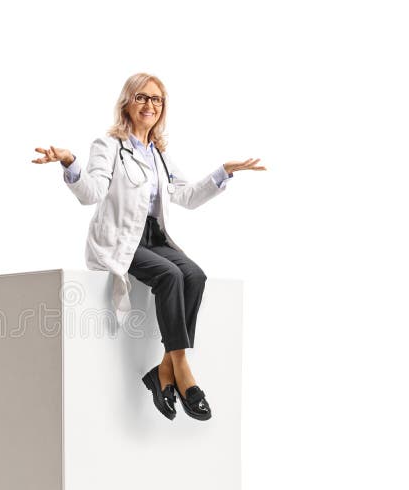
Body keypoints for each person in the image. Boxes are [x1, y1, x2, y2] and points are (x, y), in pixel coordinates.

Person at [32, 72, 265, 421]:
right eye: (142, 97)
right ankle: (181, 369)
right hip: (120, 238)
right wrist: (69, 162)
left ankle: (163, 370)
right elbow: (91, 193)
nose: (149, 105)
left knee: (195, 276)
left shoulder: (159, 154)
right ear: (127, 102)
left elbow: (184, 195)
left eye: (156, 100)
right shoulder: (108, 146)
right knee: (170, 276)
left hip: (154, 236)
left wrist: (223, 172)